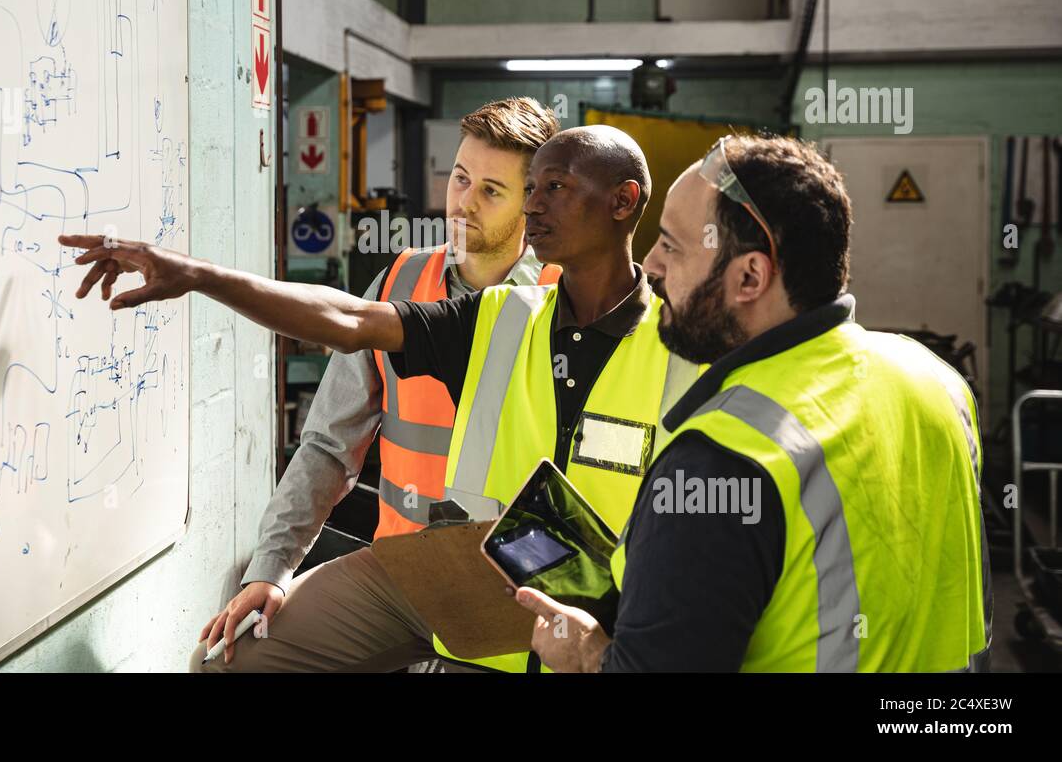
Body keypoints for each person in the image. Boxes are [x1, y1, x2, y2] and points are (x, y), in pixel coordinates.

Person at [59, 124, 701, 673]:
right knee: (234, 657)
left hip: (597, 605)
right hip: (446, 572)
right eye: (530, 189)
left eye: (551, 188)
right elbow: (349, 320)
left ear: (624, 202)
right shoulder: (500, 315)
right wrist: (197, 275)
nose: (534, 206)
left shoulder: (681, 344)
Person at [513, 135, 990, 672]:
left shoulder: (718, 459)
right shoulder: (936, 380)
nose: (652, 266)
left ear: (749, 276)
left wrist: (586, 653)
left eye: (671, 245)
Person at [204, 97, 560, 672]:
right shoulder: (399, 280)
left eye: (492, 191)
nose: (464, 203)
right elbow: (327, 445)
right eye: (460, 178)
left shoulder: (560, 304)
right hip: (401, 572)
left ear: (534, 203)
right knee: (231, 658)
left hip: (509, 582)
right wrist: (271, 568)